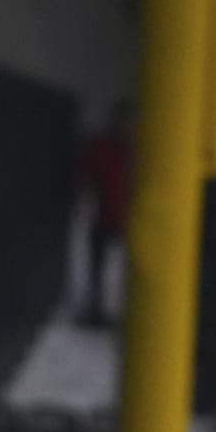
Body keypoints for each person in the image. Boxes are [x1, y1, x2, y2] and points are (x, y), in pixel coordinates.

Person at [76, 99, 134, 328]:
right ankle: (96, 310)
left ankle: (117, 311)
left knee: (124, 271)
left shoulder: (138, 150)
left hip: (127, 217)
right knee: (97, 267)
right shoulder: (102, 147)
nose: (128, 128)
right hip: (104, 215)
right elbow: (87, 176)